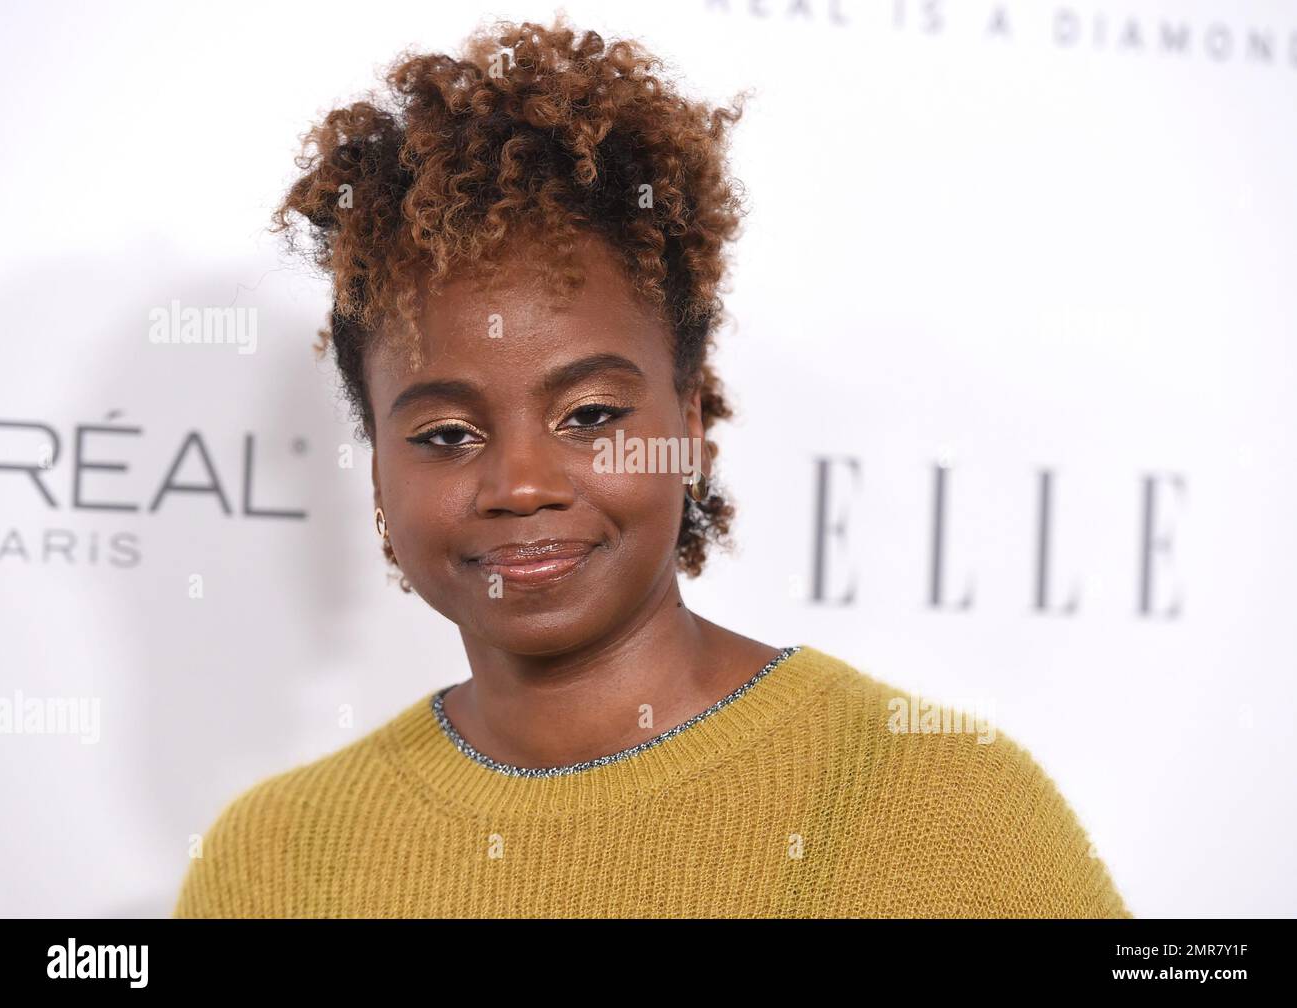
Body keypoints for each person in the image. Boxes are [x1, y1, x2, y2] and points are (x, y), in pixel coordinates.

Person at [173, 14, 1131, 918]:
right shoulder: (274, 859)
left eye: (590, 416)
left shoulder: (941, 805)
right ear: (380, 473)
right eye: (447, 434)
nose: (521, 485)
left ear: (693, 423)